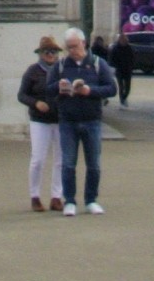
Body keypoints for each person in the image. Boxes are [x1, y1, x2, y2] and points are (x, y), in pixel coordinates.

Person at [50, 27, 118, 215]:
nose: (72, 50)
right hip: (68, 120)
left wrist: (90, 91)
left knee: (93, 164)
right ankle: (69, 201)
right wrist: (60, 86)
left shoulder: (98, 63)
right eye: (69, 47)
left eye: (75, 46)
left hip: (92, 120)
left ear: (84, 43)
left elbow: (112, 88)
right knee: (68, 163)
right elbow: (48, 88)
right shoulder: (61, 65)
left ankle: (91, 200)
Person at [18, 35, 64, 211]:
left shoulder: (62, 70)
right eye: (47, 52)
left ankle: (56, 196)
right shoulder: (33, 71)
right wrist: (36, 103)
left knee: (61, 159)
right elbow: (22, 95)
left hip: (60, 119)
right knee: (38, 159)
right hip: (40, 120)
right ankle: (35, 195)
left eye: (53, 51)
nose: (50, 55)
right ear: (41, 54)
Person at [109, 31, 136, 105]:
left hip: (128, 69)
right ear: (120, 40)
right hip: (119, 70)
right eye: (123, 40)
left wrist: (132, 66)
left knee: (128, 87)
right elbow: (111, 59)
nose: (124, 41)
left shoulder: (129, 48)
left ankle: (124, 97)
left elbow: (132, 58)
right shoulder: (115, 48)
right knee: (121, 86)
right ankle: (122, 100)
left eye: (125, 40)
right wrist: (114, 67)